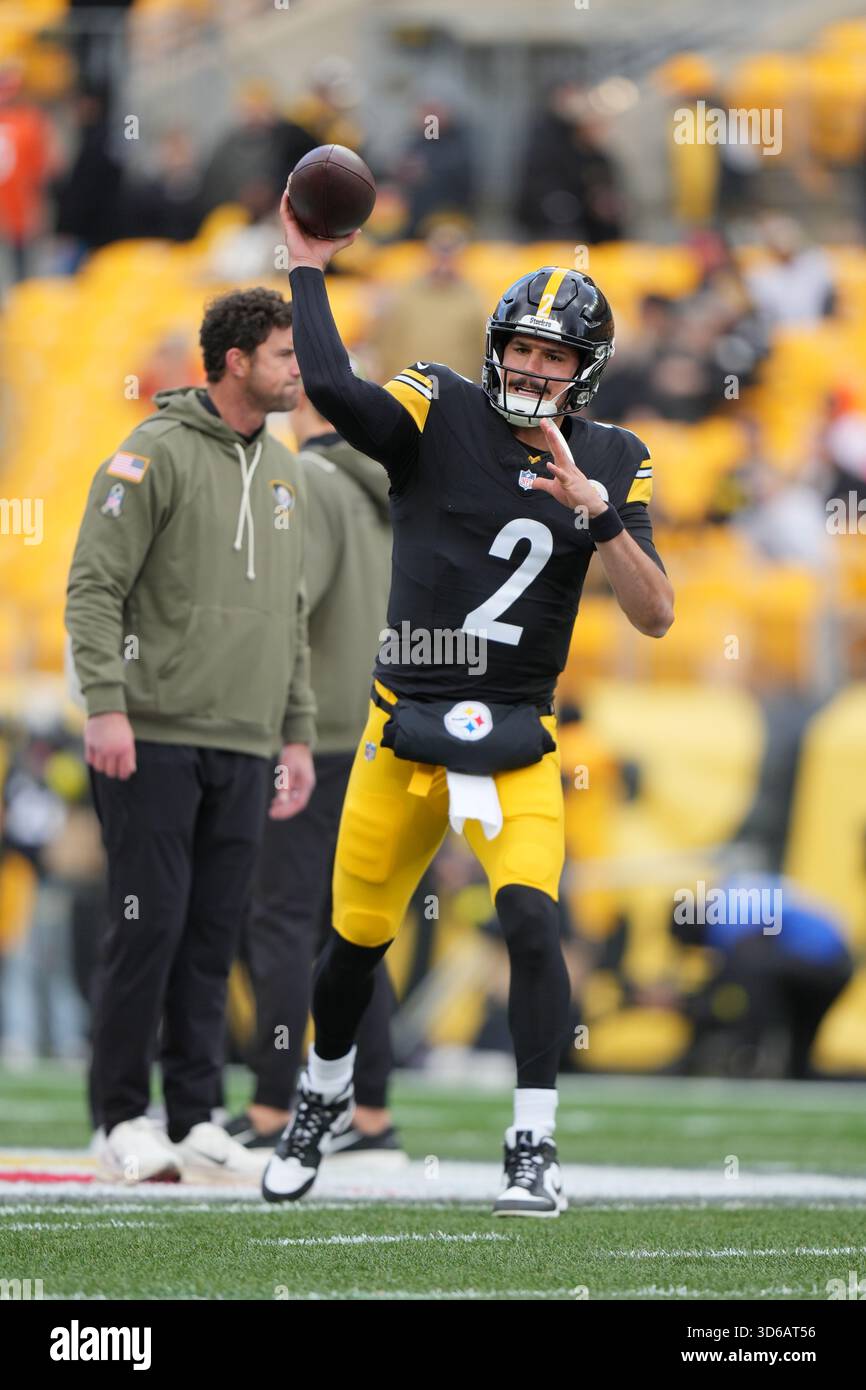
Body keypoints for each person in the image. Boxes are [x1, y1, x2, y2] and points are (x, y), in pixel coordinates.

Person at [261, 198, 673, 1217]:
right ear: (495, 349)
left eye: (552, 357)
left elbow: (656, 613)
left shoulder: (613, 456)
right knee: (354, 943)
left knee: (531, 922)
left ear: (585, 369)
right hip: (402, 729)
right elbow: (327, 388)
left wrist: (599, 515)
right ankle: (322, 1097)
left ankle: (529, 1144)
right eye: (521, 350)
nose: (533, 370)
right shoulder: (437, 403)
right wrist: (307, 268)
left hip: (517, 741)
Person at [66, 288, 316, 1183]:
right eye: (287, 355)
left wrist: (294, 733)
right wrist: (105, 704)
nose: (300, 369)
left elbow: (291, 612)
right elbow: (93, 587)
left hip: (248, 740)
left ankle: (195, 1111)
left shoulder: (286, 470)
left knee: (215, 933)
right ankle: (120, 1118)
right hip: (154, 731)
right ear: (238, 360)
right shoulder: (152, 453)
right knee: (149, 926)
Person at [226, 374, 405, 1160]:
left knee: (281, 920)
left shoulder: (306, 478)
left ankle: (273, 1103)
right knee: (357, 927)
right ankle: (369, 1113)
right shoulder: (396, 489)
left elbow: (287, 606)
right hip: (377, 729)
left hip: (309, 732)